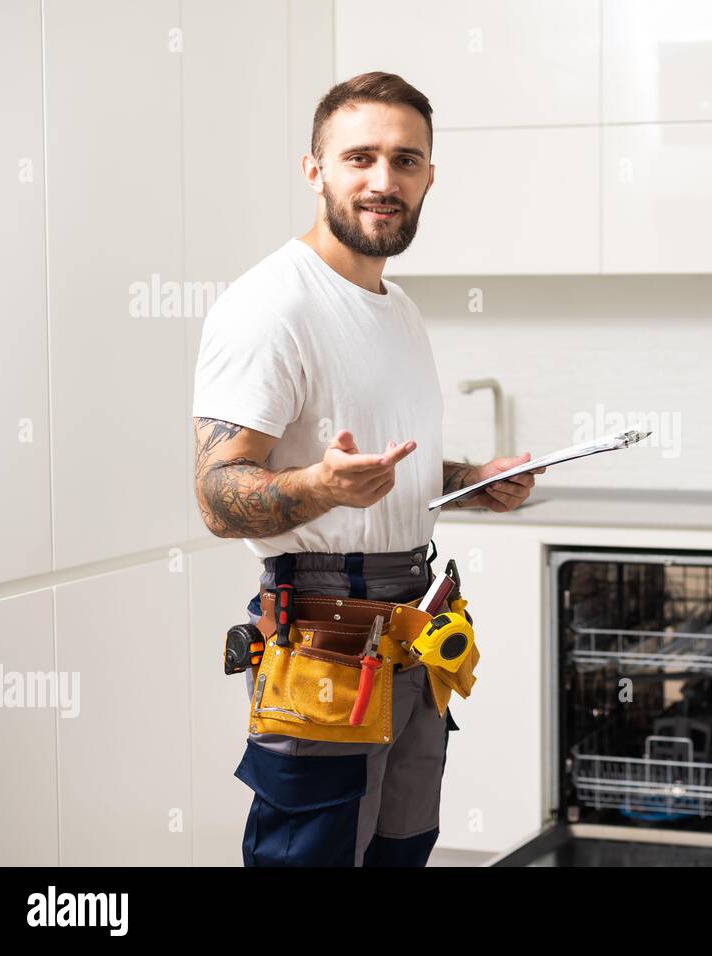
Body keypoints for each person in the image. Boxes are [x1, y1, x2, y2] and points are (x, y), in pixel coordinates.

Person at [190, 71, 541, 866]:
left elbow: (386, 470)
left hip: (412, 631)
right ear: (315, 170)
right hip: (324, 636)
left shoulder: (399, 310)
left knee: (403, 847)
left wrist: (471, 482)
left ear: (429, 176)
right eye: (360, 158)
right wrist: (317, 485)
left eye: (405, 160)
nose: (384, 181)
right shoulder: (271, 305)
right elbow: (216, 496)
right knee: (312, 853)